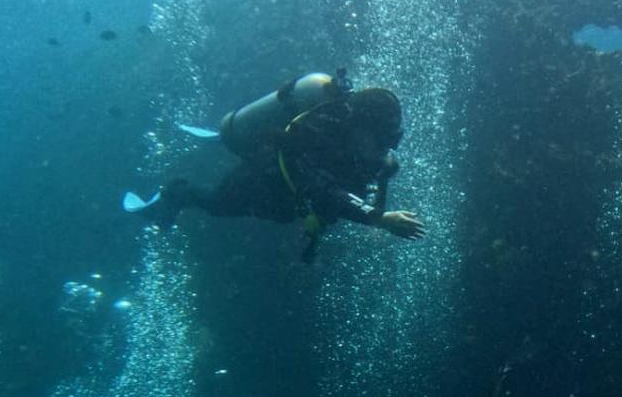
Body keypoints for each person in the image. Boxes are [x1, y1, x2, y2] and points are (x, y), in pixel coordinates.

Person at [124, 70, 426, 260]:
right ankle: (174, 193)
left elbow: (348, 186)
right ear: (362, 127)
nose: (385, 149)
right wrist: (380, 218)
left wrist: (381, 188)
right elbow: (322, 189)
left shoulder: (364, 148)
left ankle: (227, 138)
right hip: (262, 178)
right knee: (217, 203)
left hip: (282, 194)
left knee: (260, 205)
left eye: (391, 142)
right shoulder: (322, 131)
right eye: (381, 140)